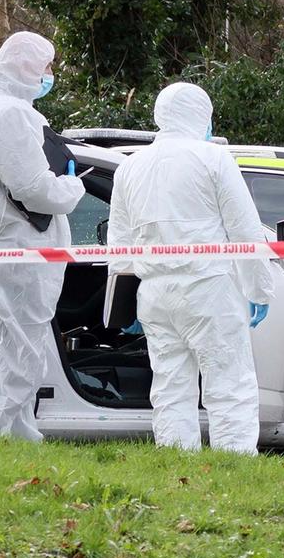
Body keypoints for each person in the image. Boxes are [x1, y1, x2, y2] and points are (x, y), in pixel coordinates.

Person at [108, 82, 275, 454]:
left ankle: (176, 463)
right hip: (208, 287)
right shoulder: (213, 158)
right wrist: (259, 289)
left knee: (170, 387)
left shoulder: (130, 167)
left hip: (154, 293)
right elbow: (244, 230)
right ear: (201, 116)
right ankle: (233, 463)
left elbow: (120, 243)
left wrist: (124, 302)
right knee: (228, 383)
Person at [0, 32, 85, 441]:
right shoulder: (9, 114)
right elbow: (33, 189)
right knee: (12, 360)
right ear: (26, 67)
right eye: (46, 66)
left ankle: (18, 441)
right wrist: (72, 186)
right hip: (18, 254)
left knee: (9, 352)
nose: (49, 74)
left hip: (2, 253)